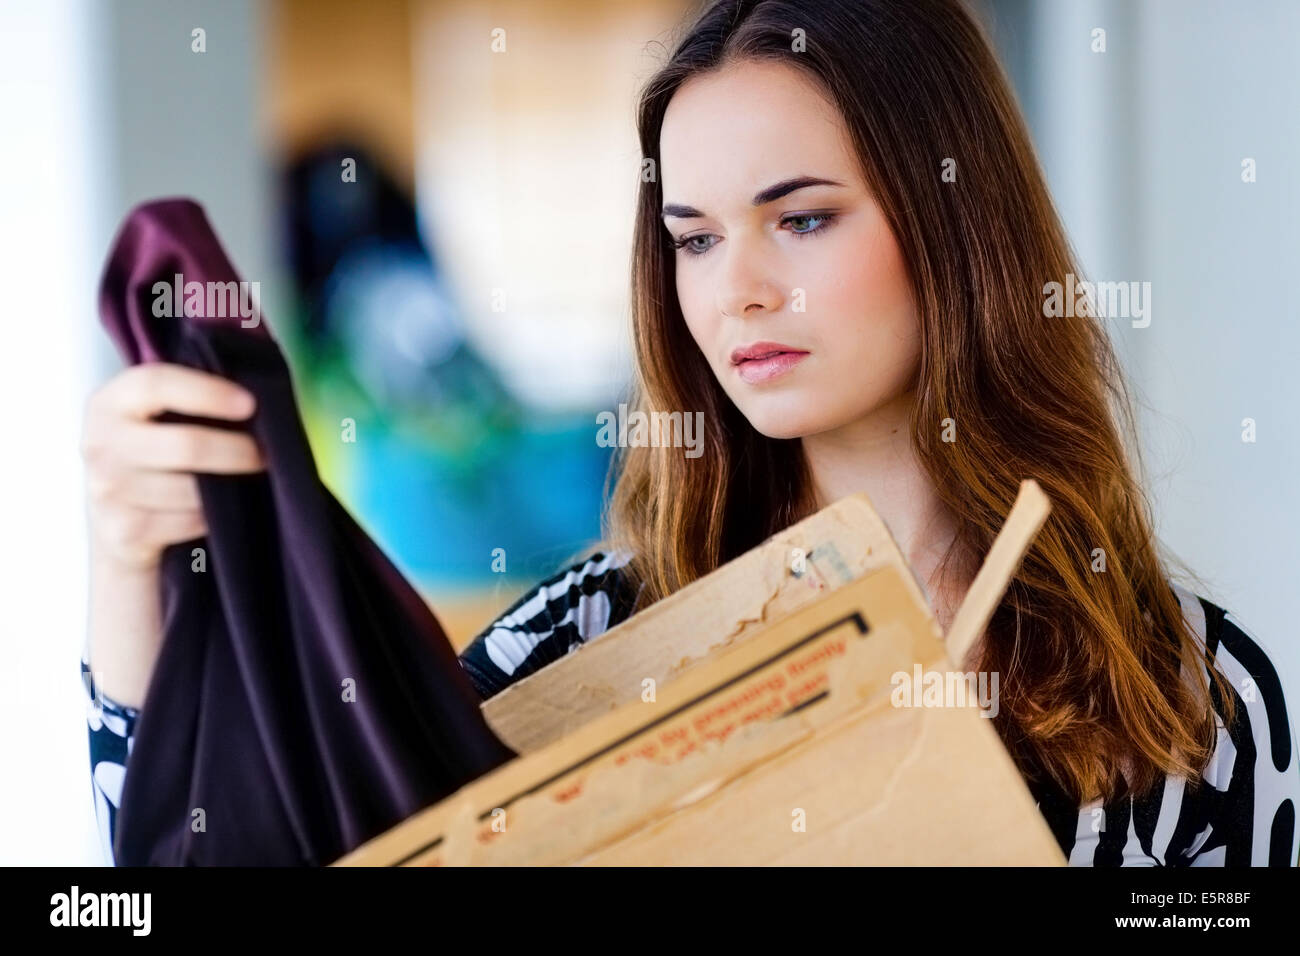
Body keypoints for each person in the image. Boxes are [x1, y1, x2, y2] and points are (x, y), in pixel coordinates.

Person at [81, 0, 1298, 866]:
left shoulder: (1197, 693)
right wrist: (133, 559)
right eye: (696, 237)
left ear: (959, 227)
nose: (735, 291)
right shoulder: (585, 641)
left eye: (803, 219)